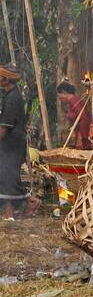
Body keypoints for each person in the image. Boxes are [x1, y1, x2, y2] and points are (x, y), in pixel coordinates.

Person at [0, 63, 37, 220]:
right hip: (10, 146)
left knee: (7, 178)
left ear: (6, 79)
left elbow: (3, 129)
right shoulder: (9, 95)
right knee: (6, 178)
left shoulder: (13, 98)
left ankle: (30, 201)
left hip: (11, 146)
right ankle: (9, 211)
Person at [56, 80, 93, 149]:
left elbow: (84, 118)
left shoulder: (73, 100)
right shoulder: (73, 101)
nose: (60, 99)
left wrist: (80, 137)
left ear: (64, 92)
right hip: (82, 136)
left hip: (84, 138)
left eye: (59, 96)